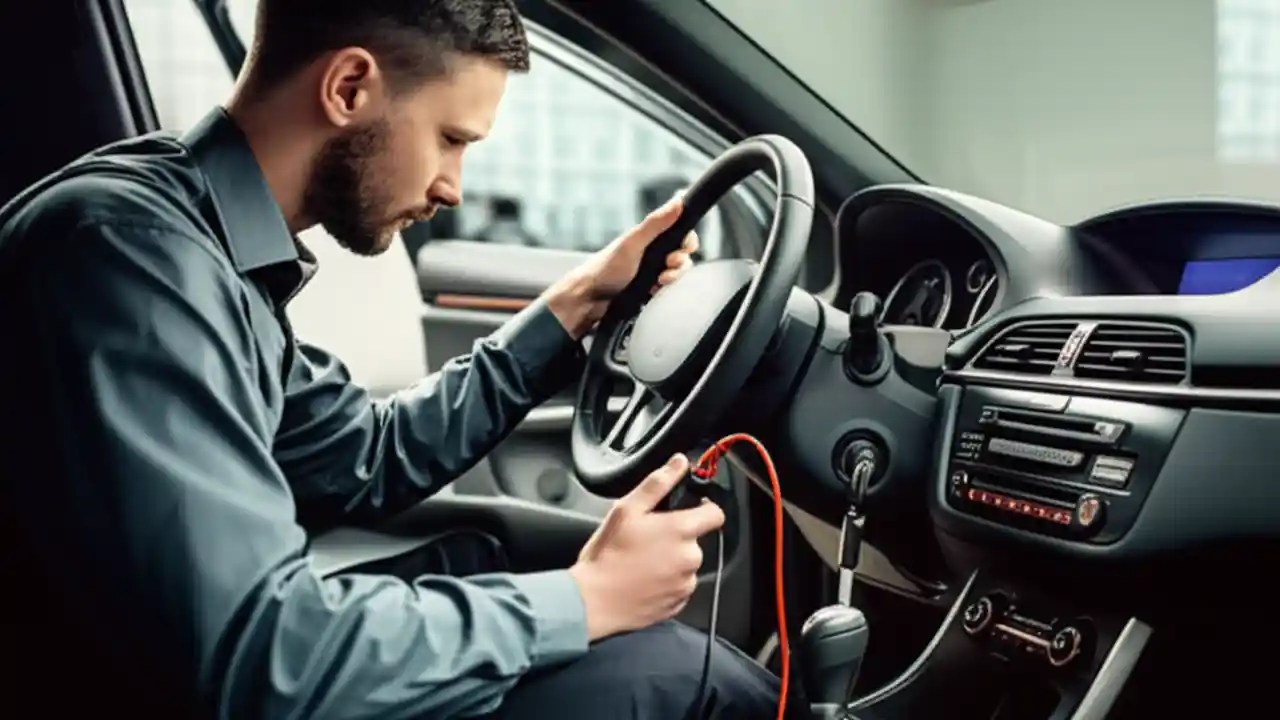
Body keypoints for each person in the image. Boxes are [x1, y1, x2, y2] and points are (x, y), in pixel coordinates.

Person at [0, 1, 784, 718]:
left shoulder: (194, 246)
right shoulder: (131, 258)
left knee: (499, 564)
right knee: (687, 680)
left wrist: (575, 304)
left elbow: (365, 457)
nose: (452, 187)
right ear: (347, 87)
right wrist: (585, 598)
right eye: (450, 140)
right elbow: (261, 656)